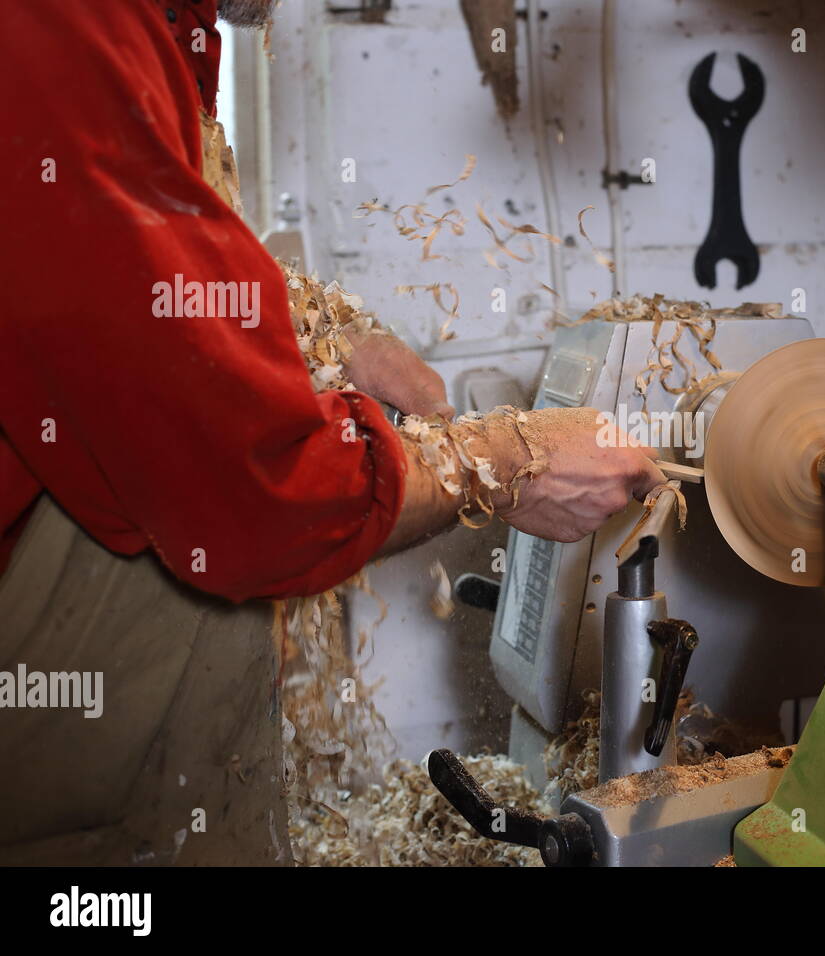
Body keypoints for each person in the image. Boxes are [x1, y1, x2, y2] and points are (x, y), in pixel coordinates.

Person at [0, 0, 662, 864]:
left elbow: (123, 264)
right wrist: (506, 461)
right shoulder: (62, 25)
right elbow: (262, 490)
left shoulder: (164, 27)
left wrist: (320, 326)